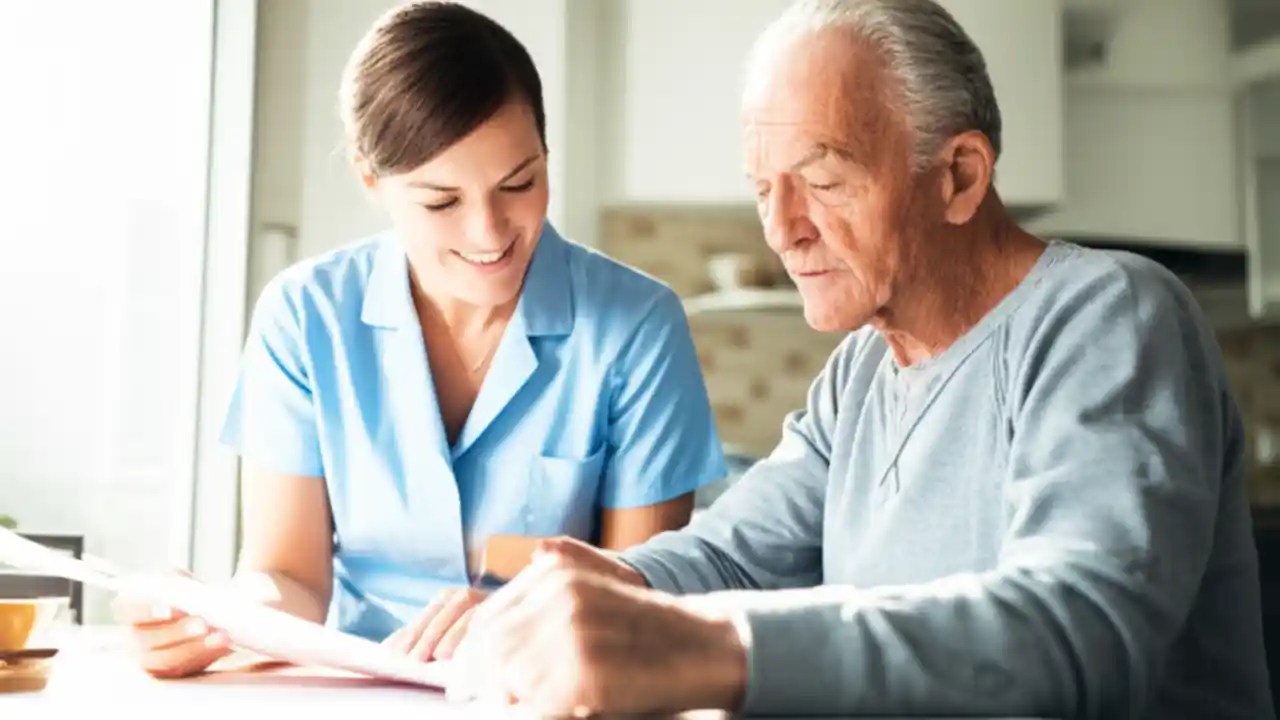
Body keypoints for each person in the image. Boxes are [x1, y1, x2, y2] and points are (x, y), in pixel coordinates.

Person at [442, 0, 1277, 717]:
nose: (783, 229)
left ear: (957, 176)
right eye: (764, 188)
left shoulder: (1108, 315)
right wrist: (589, 586)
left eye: (824, 180)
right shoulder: (861, 372)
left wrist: (716, 645)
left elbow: (1079, 627)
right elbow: (732, 554)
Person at [114, 0, 725, 678]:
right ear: (370, 177)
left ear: (545, 154)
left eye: (519, 184)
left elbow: (640, 595)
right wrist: (214, 620)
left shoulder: (637, 325)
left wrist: (519, 623)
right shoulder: (305, 315)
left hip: (548, 690)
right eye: (441, 202)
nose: (490, 233)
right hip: (353, 689)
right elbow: (289, 577)